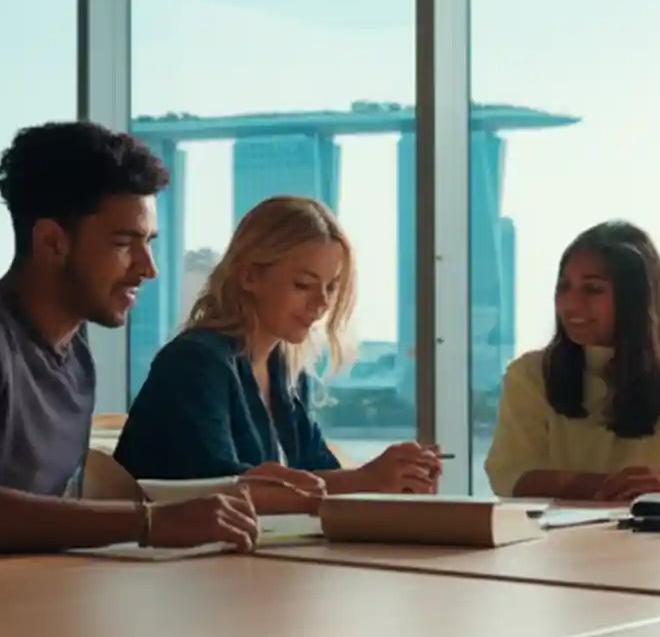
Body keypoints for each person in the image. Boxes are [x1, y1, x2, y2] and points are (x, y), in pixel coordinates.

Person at [0, 121, 260, 560]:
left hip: (11, 604)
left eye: (149, 243)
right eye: (125, 243)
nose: (148, 267)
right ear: (52, 242)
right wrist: (151, 521)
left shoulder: (76, 356)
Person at [115, 196, 443, 502]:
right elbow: (222, 492)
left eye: (331, 287)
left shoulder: (283, 370)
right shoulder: (194, 363)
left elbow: (314, 472)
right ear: (249, 277)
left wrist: (392, 478)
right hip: (151, 560)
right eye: (303, 285)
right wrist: (365, 480)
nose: (322, 303)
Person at [483, 220, 660, 500]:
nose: (570, 303)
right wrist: (616, 487)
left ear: (635, 298)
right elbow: (510, 474)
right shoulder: (530, 375)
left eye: (593, 289)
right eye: (564, 286)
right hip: (559, 548)